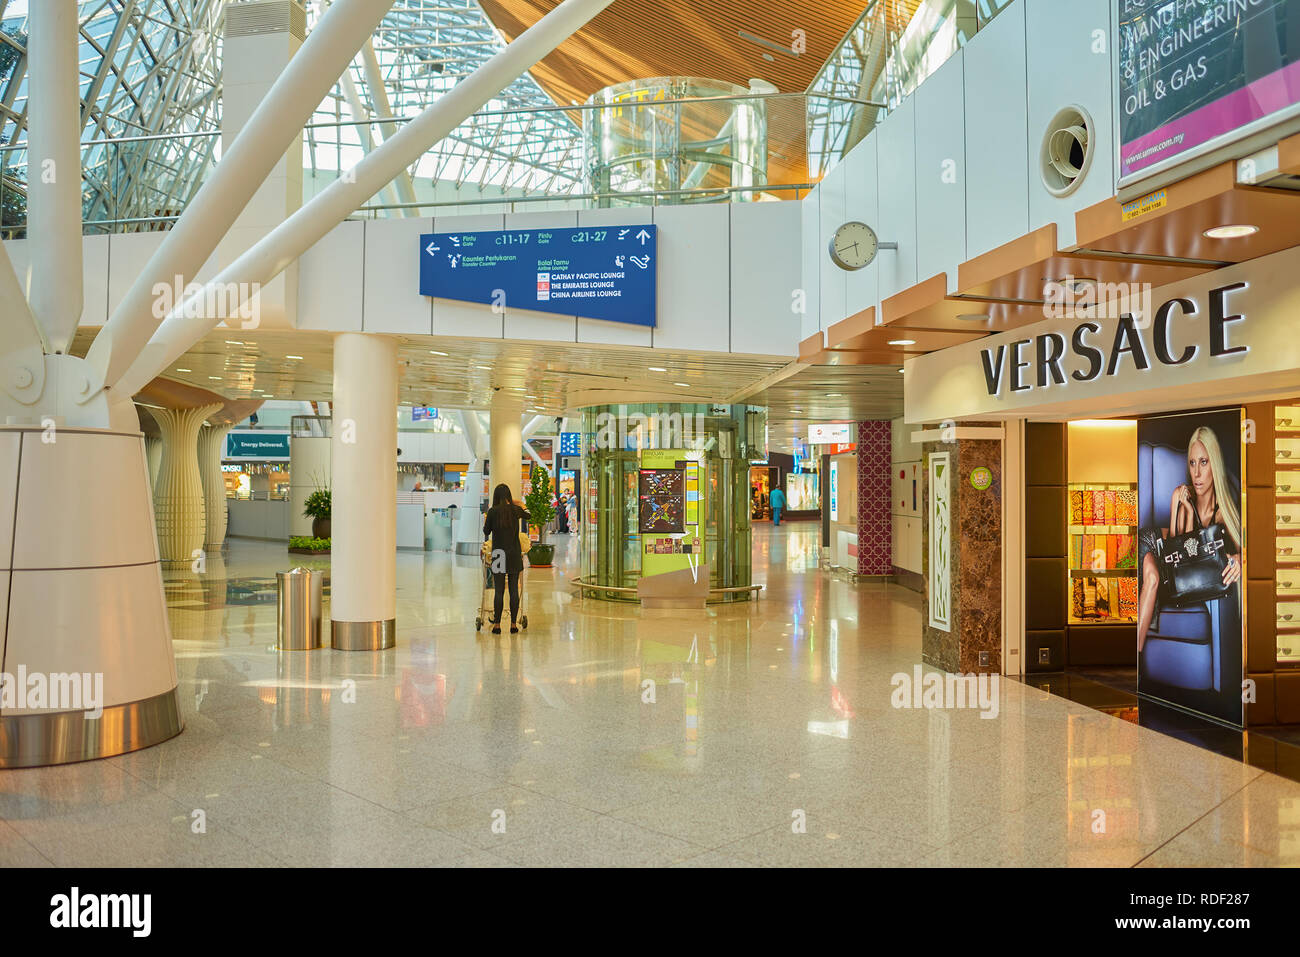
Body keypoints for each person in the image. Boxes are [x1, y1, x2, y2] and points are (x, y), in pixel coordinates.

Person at [1136, 426, 1242, 653]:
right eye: (1192, 463)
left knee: (1154, 578)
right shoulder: (1185, 499)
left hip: (1166, 556)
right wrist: (1176, 506)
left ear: (1215, 464)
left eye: (1203, 462)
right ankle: (1136, 654)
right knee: (1153, 578)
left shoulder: (1222, 513)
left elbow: (1245, 550)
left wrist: (1240, 559)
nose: (1197, 473)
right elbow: (1172, 556)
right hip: (1151, 544)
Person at [483, 483, 530, 635]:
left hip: (498, 554)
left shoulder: (492, 512)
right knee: (514, 590)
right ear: (509, 496)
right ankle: (513, 624)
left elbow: (486, 531)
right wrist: (521, 503)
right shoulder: (516, 510)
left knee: (499, 591)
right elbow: (529, 515)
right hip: (514, 554)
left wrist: (487, 519)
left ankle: (497, 625)